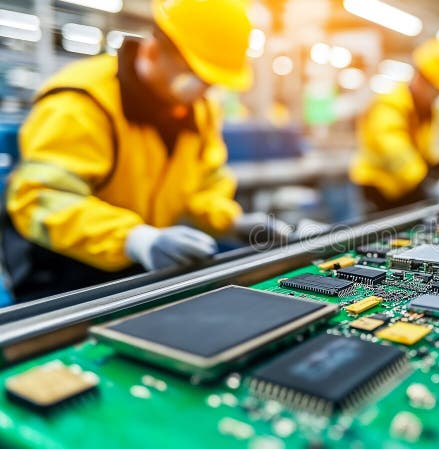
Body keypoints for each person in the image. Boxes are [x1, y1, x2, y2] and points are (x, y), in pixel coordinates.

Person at [1, 0, 290, 302]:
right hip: (62, 274)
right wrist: (133, 238)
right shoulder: (82, 102)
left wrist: (230, 221)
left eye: (211, 83)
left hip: (139, 264)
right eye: (197, 76)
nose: (204, 91)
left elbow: (205, 184)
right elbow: (41, 200)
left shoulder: (198, 110)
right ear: (156, 48)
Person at [349, 39, 439, 212]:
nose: (438, 96)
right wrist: (421, 179)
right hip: (379, 190)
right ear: (421, 78)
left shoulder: (428, 110)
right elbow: (392, 146)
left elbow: (425, 145)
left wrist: (435, 165)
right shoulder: (390, 103)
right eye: (437, 89)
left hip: (406, 188)